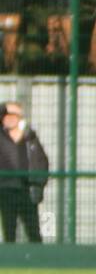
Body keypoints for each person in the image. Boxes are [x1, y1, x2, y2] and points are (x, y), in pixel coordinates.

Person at [0, 101, 49, 243]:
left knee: (33, 232)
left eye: (14, 114)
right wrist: (5, 108)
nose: (9, 117)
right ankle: (10, 263)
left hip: (26, 190)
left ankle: (39, 262)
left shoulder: (30, 138)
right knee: (9, 232)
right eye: (6, 114)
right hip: (5, 190)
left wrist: (39, 185)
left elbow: (41, 162)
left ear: (21, 118)